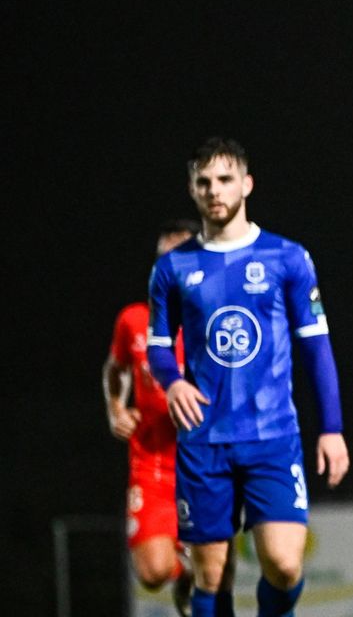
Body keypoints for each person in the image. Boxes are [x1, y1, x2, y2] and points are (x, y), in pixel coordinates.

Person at [147, 137, 350, 617]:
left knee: (283, 565)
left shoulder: (287, 257)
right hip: (204, 440)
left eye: (224, 179)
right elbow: (158, 347)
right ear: (192, 190)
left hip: (272, 435)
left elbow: (316, 346)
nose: (214, 190)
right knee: (211, 576)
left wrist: (333, 428)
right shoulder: (173, 267)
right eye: (204, 182)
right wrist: (173, 381)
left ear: (246, 184)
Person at [103, 218, 200, 616]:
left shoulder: (215, 323)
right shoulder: (134, 320)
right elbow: (115, 368)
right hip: (152, 466)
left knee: (219, 576)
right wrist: (114, 407)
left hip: (202, 465)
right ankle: (183, 572)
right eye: (165, 258)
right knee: (153, 572)